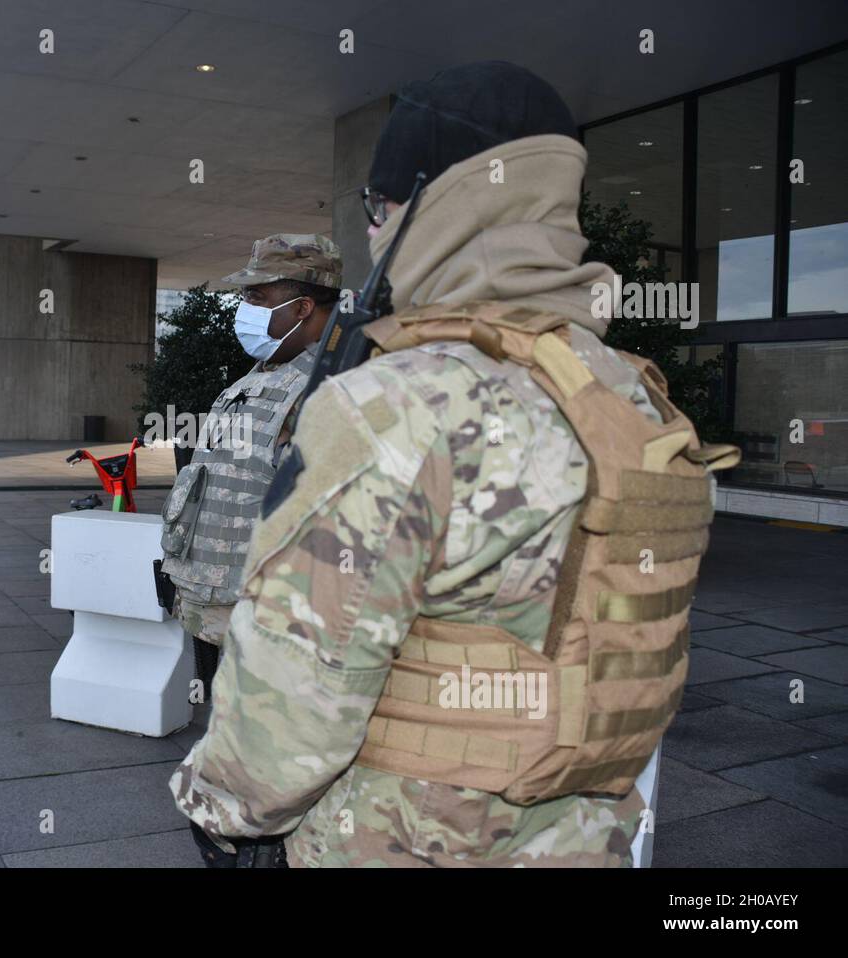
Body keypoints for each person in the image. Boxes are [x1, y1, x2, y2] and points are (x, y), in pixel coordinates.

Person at [170, 62, 738, 867]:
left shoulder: (396, 407)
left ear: (429, 204)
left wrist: (220, 809)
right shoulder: (633, 397)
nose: (371, 232)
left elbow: (294, 699)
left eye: (378, 206)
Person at [159, 234, 342, 699]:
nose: (246, 308)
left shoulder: (331, 387)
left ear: (302, 307)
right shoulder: (260, 376)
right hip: (229, 615)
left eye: (258, 296)